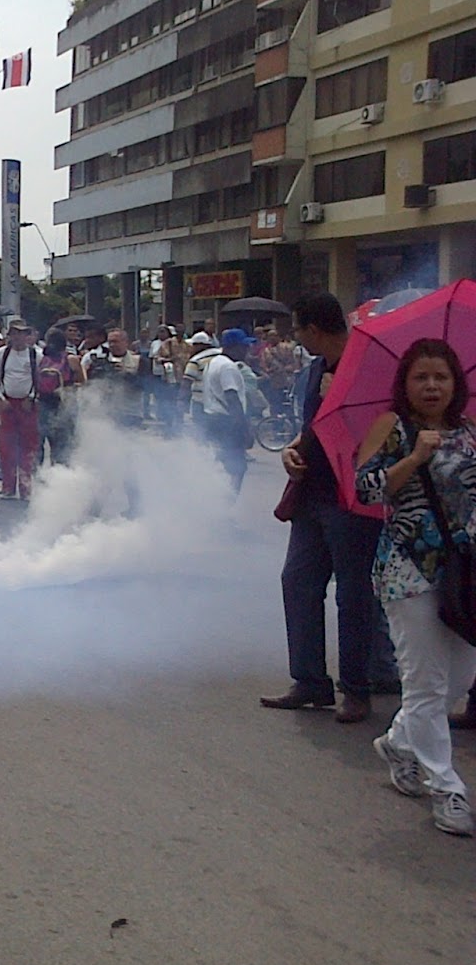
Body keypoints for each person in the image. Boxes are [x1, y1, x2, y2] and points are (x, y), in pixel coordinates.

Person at [355, 338, 476, 837]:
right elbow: (364, 488)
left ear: (455, 384)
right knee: (425, 684)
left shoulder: (469, 432)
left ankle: (400, 742)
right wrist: (414, 458)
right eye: (421, 377)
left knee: (459, 681)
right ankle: (447, 788)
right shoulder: (393, 427)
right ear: (405, 384)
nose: (431, 386)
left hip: (462, 571)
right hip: (409, 571)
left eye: (440, 377)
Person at [262, 294, 395, 723]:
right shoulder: (317, 368)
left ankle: (357, 688)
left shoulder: (367, 367)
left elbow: (378, 431)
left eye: (298, 330)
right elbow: (313, 428)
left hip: (350, 498)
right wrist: (292, 451)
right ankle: (310, 680)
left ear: (313, 329)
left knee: (354, 595)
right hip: (312, 495)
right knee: (298, 582)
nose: (296, 339)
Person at [0, 320, 40, 500]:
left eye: (22, 333)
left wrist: (31, 397)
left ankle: (26, 488)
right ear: (9, 335)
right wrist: (1, 399)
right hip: (8, 404)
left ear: (27, 335)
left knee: (28, 448)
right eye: (15, 333)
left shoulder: (35, 354)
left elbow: (38, 379)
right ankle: (8, 487)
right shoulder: (2, 354)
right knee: (6, 446)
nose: (18, 337)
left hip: (27, 404)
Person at [201, 328, 254, 492]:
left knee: (221, 466)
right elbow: (232, 398)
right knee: (236, 467)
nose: (247, 350)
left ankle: (217, 504)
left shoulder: (214, 362)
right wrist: (245, 429)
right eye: (244, 346)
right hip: (227, 423)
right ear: (233, 347)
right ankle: (225, 505)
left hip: (213, 419)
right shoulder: (228, 367)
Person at [37, 326, 84, 465]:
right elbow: (81, 381)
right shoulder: (71, 359)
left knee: (39, 445)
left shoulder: (42, 359)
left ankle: (39, 478)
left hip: (43, 404)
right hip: (64, 404)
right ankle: (60, 475)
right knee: (62, 447)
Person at [83, 328, 145, 428]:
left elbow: (146, 385)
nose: (112, 345)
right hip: (108, 411)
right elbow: (91, 384)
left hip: (131, 412)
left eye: (115, 342)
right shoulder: (100, 361)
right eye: (110, 342)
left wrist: (126, 373)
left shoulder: (138, 361)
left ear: (125, 342)